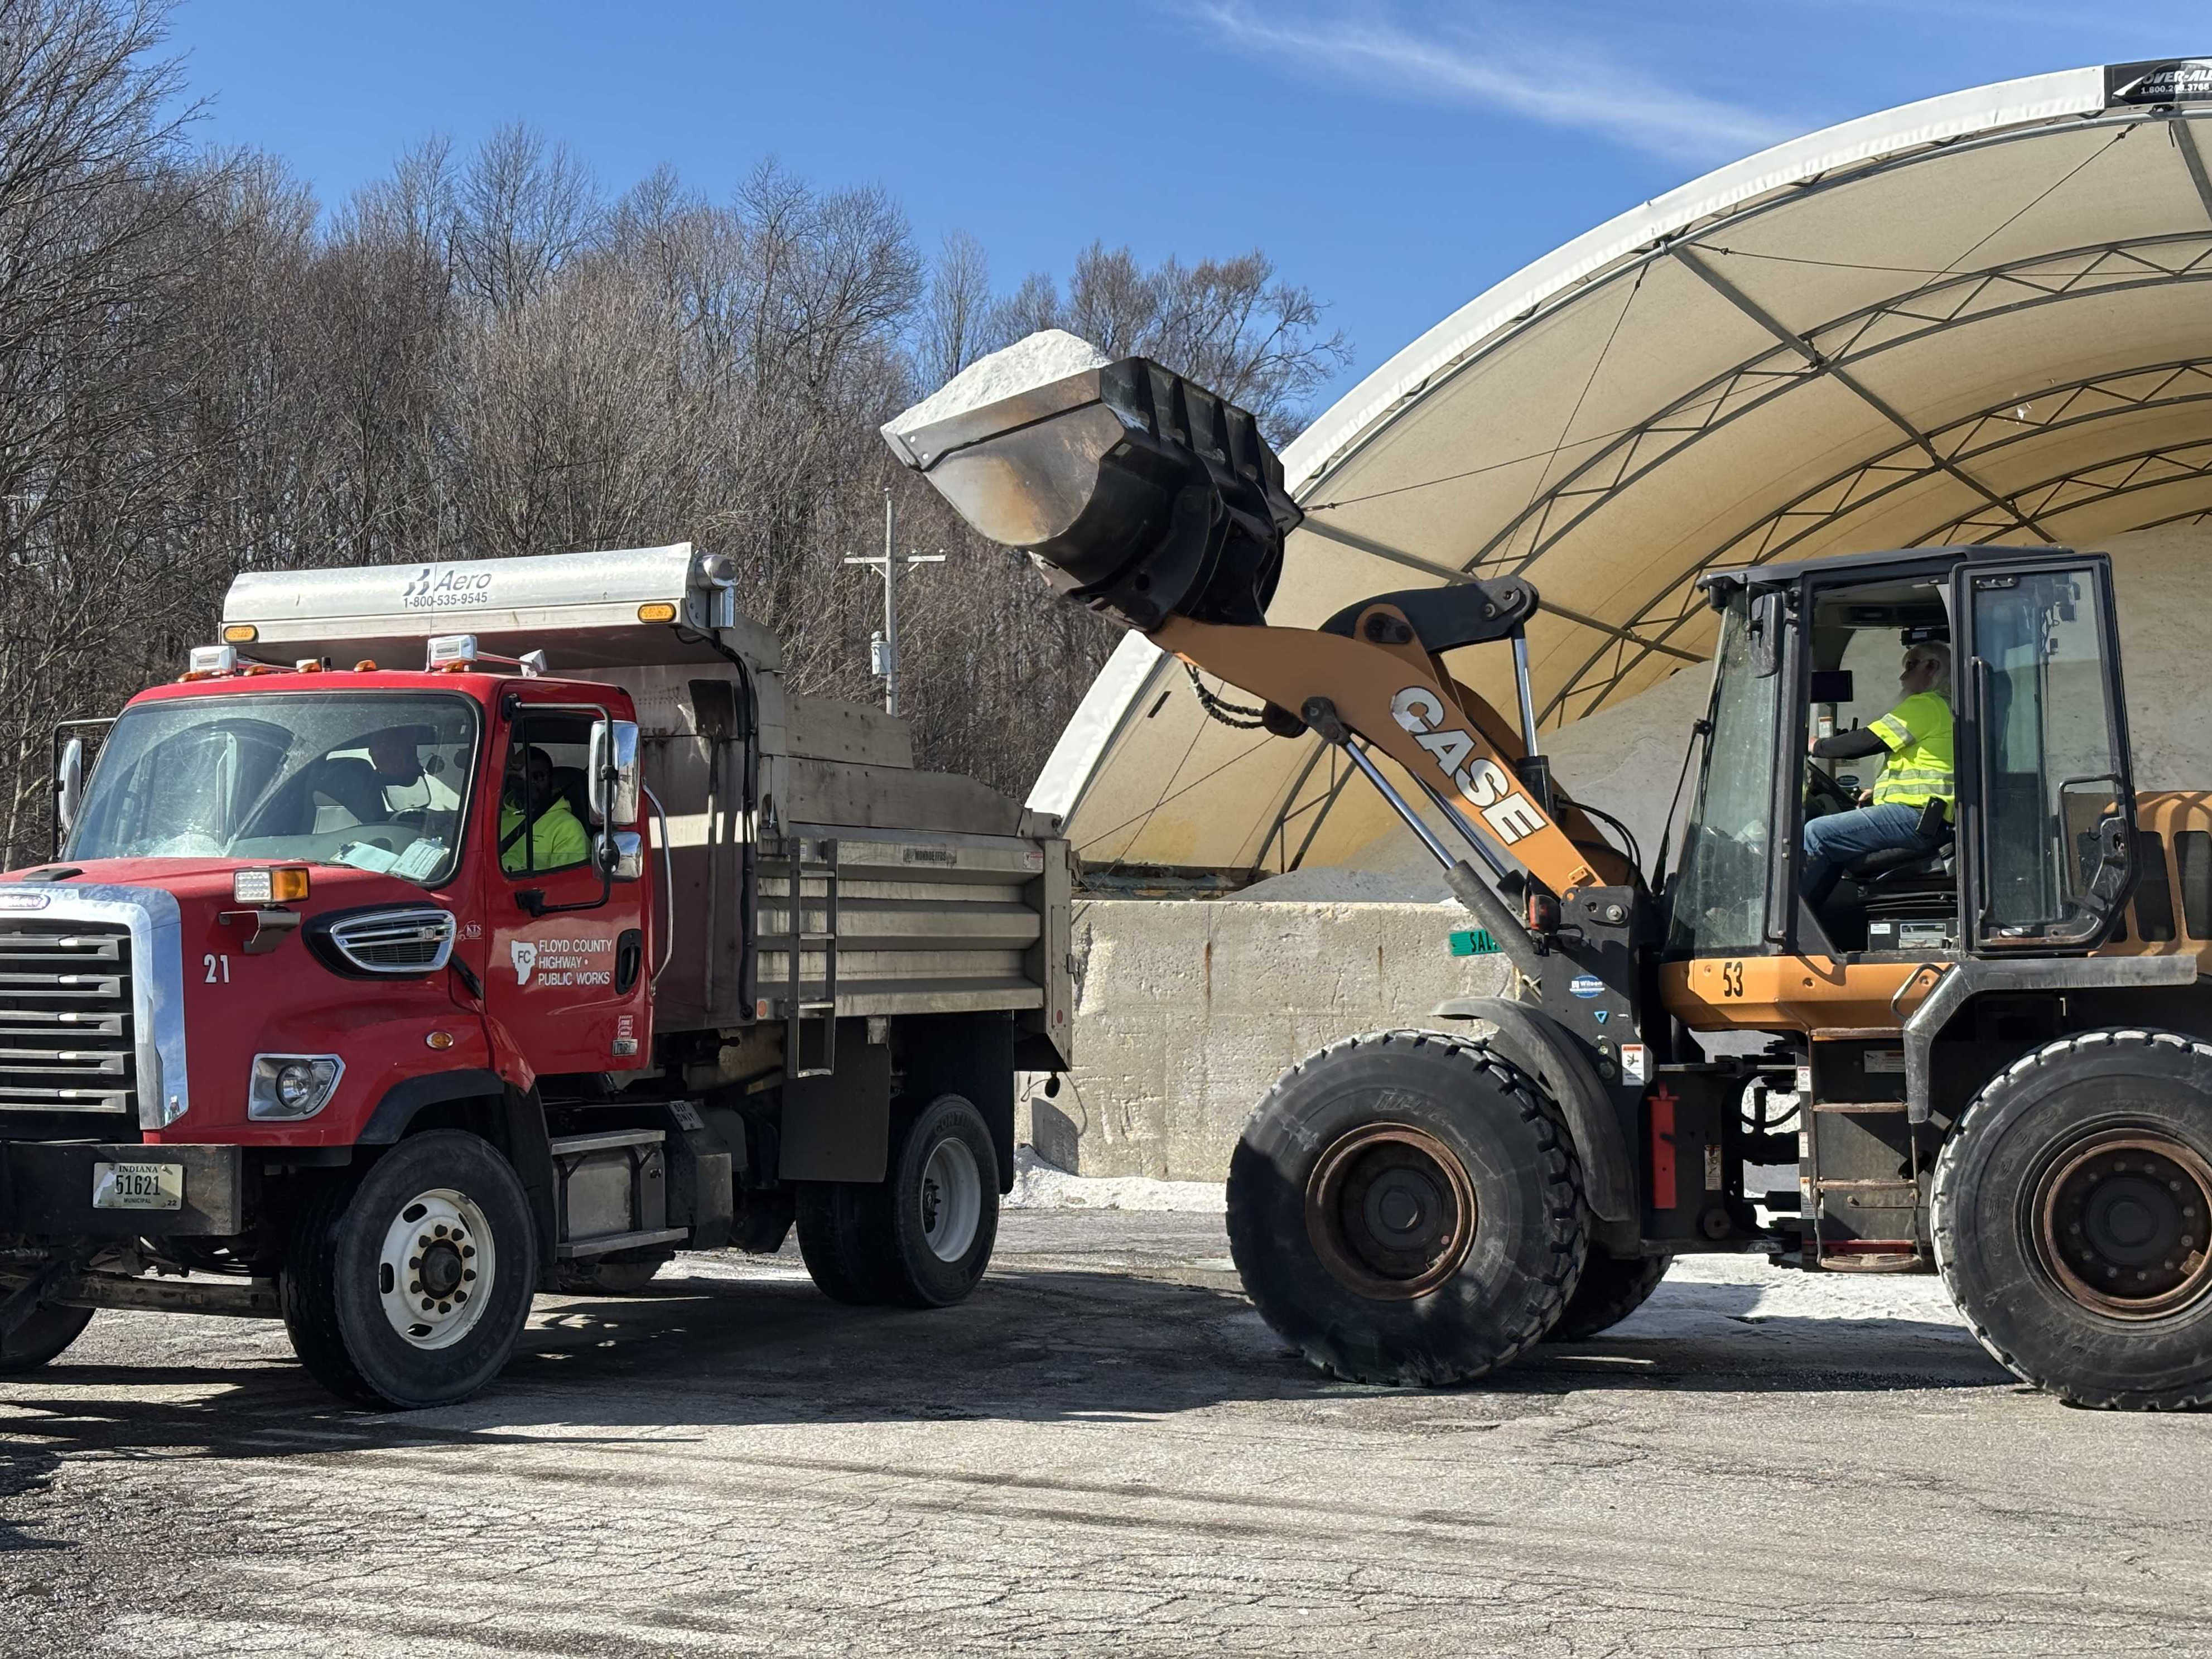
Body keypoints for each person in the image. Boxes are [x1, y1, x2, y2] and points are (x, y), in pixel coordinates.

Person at [1800, 640, 1954, 906]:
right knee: (1837, 844)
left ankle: (1792, 921)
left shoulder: (1927, 705)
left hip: (1915, 817)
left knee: (1817, 834)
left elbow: (1868, 740)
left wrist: (1817, 746)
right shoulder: (1944, 708)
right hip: (1926, 816)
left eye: (1910, 666)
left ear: (1932, 667)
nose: (1902, 676)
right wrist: (1877, 794)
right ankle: (1813, 919)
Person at [499, 744, 590, 874]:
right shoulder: (495, 821)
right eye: (520, 776)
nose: (529, 782)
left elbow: (564, 885)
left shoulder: (567, 827)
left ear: (551, 780)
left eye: (537, 776)